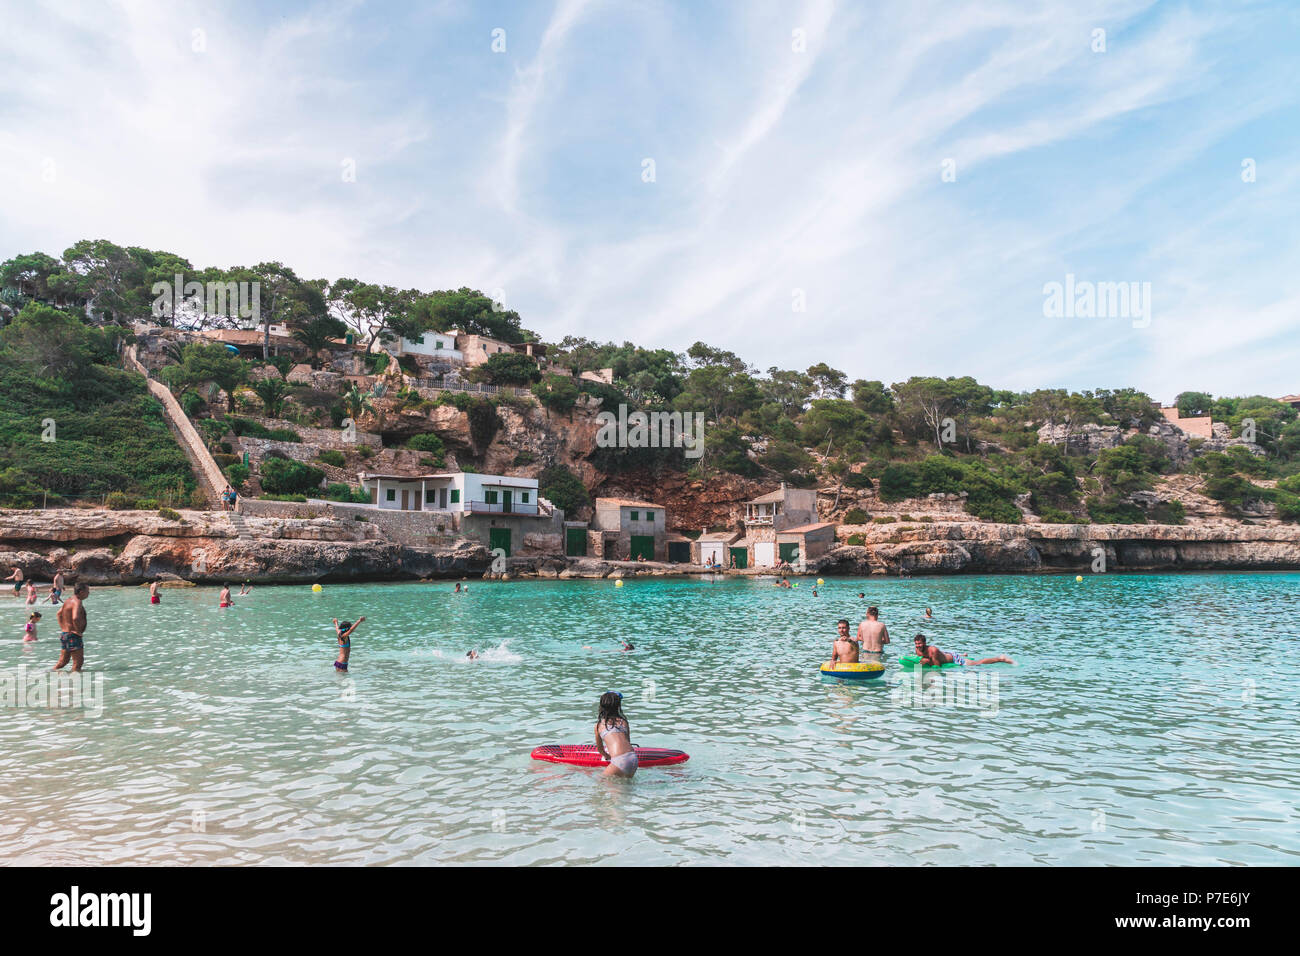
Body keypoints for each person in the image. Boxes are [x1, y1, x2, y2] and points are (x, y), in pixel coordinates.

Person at [594, 691, 637, 778]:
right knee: (624, 788)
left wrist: (607, 756)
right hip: (633, 758)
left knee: (600, 784)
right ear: (618, 707)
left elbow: (600, 750)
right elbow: (627, 742)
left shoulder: (599, 725)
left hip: (619, 760)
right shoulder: (623, 722)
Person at [913, 633, 1013, 667]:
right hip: (947, 653)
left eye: (920, 644)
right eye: (916, 644)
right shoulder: (917, 650)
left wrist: (926, 662)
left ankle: (1000, 659)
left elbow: (937, 667)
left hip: (955, 659)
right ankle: (963, 654)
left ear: (925, 643)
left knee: (978, 663)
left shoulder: (933, 650)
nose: (918, 646)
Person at [53, 583, 89, 672]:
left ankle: (48, 673)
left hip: (65, 634)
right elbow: (75, 617)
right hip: (73, 635)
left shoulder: (68, 600)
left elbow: (58, 614)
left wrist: (63, 628)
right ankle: (75, 683)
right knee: (78, 663)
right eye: (87, 591)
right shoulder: (77, 601)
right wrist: (78, 631)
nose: (88, 593)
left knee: (63, 662)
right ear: (81, 592)